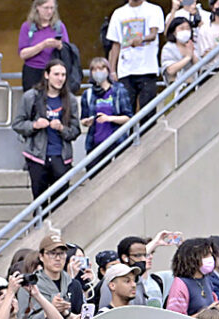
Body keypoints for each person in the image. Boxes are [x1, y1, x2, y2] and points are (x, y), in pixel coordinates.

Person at [13, 60, 80, 200]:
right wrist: (34, 125)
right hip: (37, 156)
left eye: (63, 75)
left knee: (60, 201)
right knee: (39, 201)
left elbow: (75, 130)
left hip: (61, 157)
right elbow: (17, 124)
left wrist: (61, 128)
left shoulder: (70, 100)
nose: (60, 78)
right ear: (47, 75)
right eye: (56, 74)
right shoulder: (31, 97)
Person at [107, 0, 165, 112]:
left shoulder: (154, 10)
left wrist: (141, 39)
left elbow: (153, 34)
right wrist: (112, 70)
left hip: (147, 69)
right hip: (126, 71)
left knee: (148, 110)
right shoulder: (118, 13)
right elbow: (115, 44)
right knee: (126, 111)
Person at [14, 233, 80, 319]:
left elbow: (81, 315)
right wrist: (50, 310)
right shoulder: (30, 285)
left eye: (61, 253)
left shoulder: (73, 284)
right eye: (52, 253)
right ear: (41, 256)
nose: (58, 258)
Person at [80, 57, 131, 154]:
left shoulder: (119, 91)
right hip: (95, 143)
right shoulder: (88, 94)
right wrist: (86, 122)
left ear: (108, 70)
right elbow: (83, 118)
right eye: (94, 69)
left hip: (116, 142)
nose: (98, 72)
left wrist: (109, 118)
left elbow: (128, 117)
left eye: (101, 68)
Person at [18, 0, 68, 90]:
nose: (49, 12)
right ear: (37, 7)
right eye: (46, 8)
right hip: (33, 71)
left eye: (52, 8)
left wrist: (59, 46)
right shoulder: (27, 27)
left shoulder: (60, 27)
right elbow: (23, 54)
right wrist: (43, 45)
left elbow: (68, 51)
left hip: (54, 72)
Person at [160, 15, 198, 82]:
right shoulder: (168, 48)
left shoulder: (193, 44)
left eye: (188, 28)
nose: (185, 31)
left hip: (194, 84)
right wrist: (188, 57)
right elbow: (170, 70)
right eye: (182, 28)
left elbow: (200, 67)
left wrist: (192, 53)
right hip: (176, 85)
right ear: (174, 32)